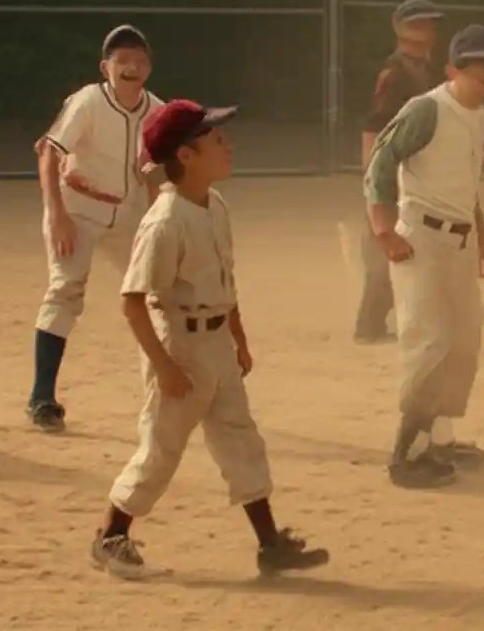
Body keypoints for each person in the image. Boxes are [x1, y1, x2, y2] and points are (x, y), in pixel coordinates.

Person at [91, 99, 329, 578]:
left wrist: (238, 338)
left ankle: (270, 546)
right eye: (216, 140)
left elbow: (225, 281)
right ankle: (111, 535)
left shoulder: (214, 205)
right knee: (161, 447)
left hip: (216, 343)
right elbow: (133, 302)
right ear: (185, 156)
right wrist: (165, 367)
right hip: (180, 346)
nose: (227, 146)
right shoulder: (165, 221)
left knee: (241, 440)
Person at [364, 24, 484, 488]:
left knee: (463, 340)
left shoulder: (480, 117)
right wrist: (382, 228)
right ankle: (405, 454)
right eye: (481, 68)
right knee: (428, 339)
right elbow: (381, 160)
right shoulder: (427, 109)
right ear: (454, 68)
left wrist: (483, 235)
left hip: (460, 237)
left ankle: (440, 438)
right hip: (421, 236)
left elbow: (466, 182)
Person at [27, 24, 163, 432]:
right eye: (122, 60)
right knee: (65, 291)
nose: (131, 67)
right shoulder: (88, 102)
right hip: (78, 213)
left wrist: (159, 221)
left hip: (130, 217)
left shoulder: (157, 109)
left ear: (149, 69)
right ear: (105, 67)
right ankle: (42, 398)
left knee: (158, 296)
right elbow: (50, 154)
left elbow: (160, 171)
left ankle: (164, 389)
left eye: (140, 60)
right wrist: (56, 215)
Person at [354, 0, 445, 344]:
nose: (425, 31)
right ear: (399, 28)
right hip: (392, 170)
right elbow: (373, 125)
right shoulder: (393, 74)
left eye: (430, 24)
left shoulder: (431, 72)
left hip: (421, 172)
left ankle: (411, 318)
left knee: (417, 245)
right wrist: (374, 179)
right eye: (417, 24)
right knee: (384, 250)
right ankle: (369, 325)